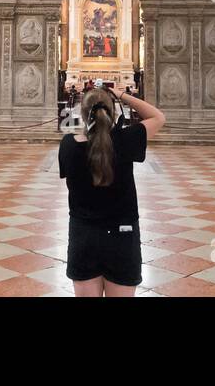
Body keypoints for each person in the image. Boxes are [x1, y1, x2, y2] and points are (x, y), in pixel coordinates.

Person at [58, 82, 165, 297]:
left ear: (82, 111)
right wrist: (122, 95)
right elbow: (158, 118)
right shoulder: (126, 140)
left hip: (84, 237)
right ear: (113, 111)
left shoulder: (68, 145)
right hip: (122, 237)